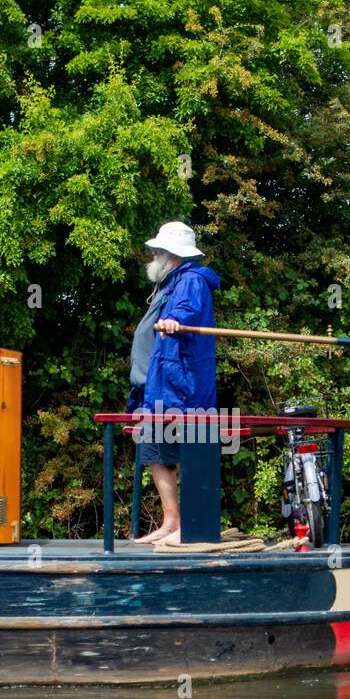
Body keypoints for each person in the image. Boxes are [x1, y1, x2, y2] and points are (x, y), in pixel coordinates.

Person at [128, 221, 221, 544]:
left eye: (159, 249)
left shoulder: (191, 280)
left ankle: (191, 529)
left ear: (174, 254)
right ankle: (171, 523)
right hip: (157, 386)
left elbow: (187, 310)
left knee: (189, 450)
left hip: (181, 386)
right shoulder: (169, 282)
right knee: (156, 452)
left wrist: (174, 320)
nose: (153, 253)